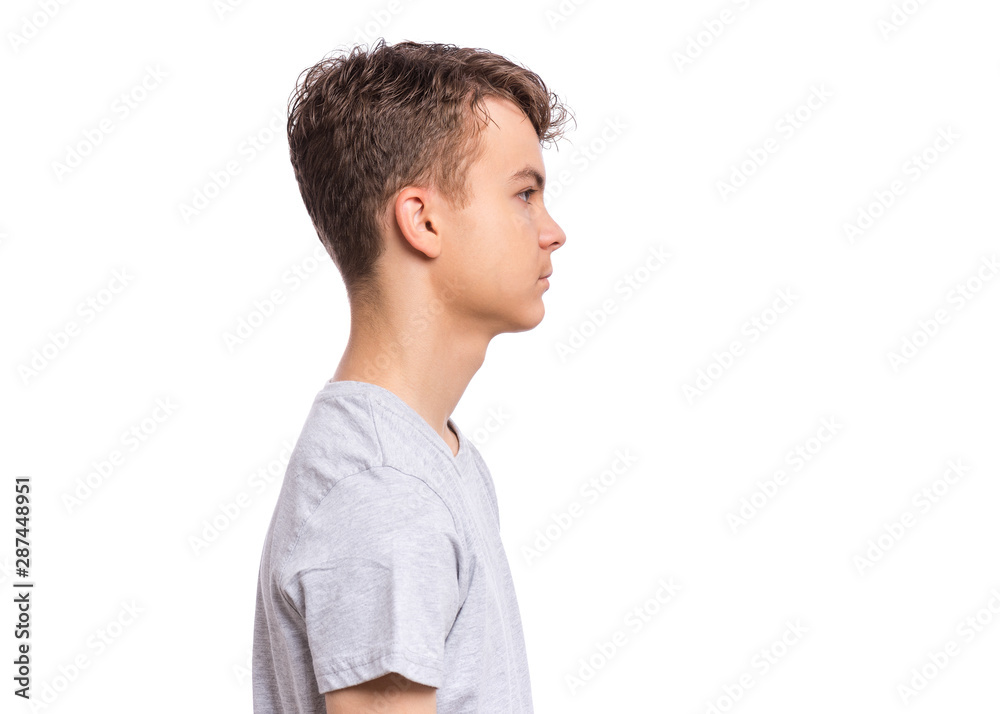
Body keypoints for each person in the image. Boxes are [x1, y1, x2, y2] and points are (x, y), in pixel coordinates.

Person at [252, 38, 573, 713]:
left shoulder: (431, 457)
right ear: (422, 220)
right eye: (524, 194)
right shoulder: (383, 489)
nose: (553, 231)